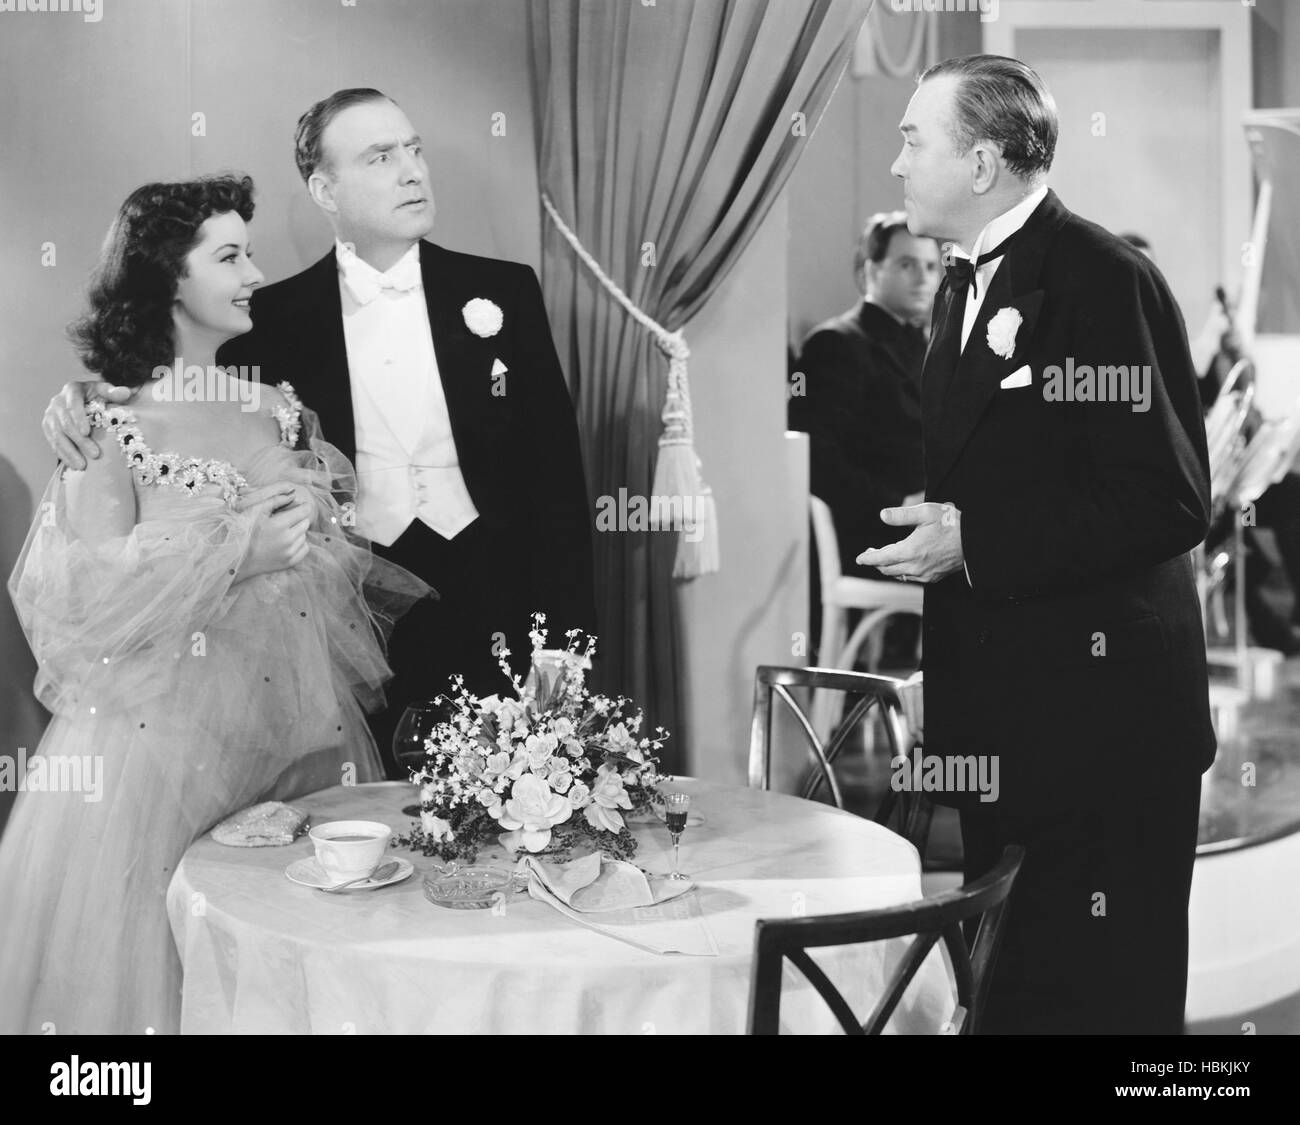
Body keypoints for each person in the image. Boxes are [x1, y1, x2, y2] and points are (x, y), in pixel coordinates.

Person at [42, 89, 598, 773]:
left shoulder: (506, 292)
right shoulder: (265, 314)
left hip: (498, 614)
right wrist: (80, 398)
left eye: (415, 150)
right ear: (323, 187)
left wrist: (563, 650)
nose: (413, 171)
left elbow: (558, 488)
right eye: (381, 156)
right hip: (345, 633)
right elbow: (176, 390)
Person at [1, 176, 428, 1034]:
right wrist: (237, 552)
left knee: (297, 938)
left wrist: (314, 521)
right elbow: (81, 594)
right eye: (229, 255)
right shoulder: (106, 420)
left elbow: (337, 550)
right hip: (158, 749)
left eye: (249, 251)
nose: (254, 273)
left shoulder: (277, 408)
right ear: (166, 276)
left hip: (296, 728)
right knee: (151, 954)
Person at [860, 55, 1216, 1033]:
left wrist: (973, 544)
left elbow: (1167, 498)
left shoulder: (1103, 280)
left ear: (981, 164)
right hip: (1004, 724)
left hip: (1106, 733)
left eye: (910, 140)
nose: (894, 165)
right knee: (1013, 991)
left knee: (1109, 999)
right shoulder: (955, 286)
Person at [790, 211, 939, 585]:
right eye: (907, 264)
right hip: (872, 535)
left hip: (928, 524)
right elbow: (817, 459)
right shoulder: (835, 343)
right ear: (870, 271)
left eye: (931, 266)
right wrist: (900, 505)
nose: (923, 278)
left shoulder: (931, 346)